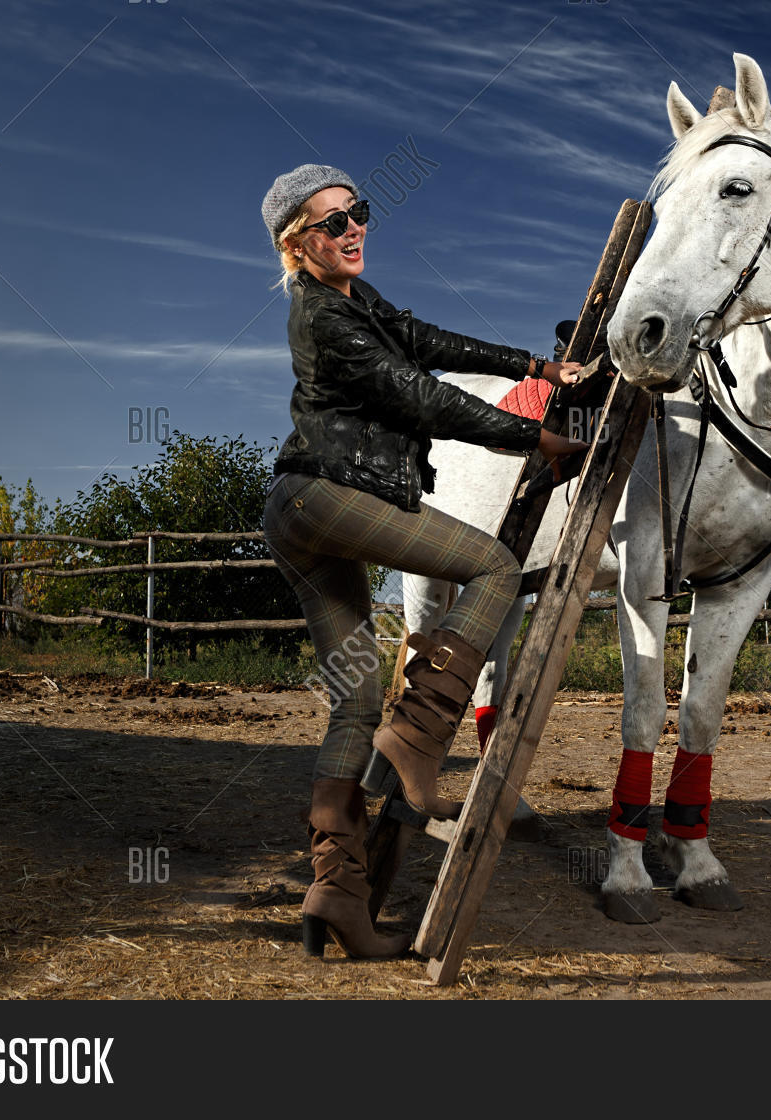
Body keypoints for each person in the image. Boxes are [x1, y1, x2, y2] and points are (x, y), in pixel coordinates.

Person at [259, 164, 587, 958]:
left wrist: (536, 369)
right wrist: (534, 437)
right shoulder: (321, 318)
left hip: (301, 508)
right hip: (323, 498)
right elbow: (422, 396)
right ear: (297, 247)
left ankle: (336, 894)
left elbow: (432, 341)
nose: (352, 229)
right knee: (493, 568)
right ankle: (420, 733)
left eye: (357, 212)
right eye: (330, 224)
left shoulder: (356, 302)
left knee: (354, 697)